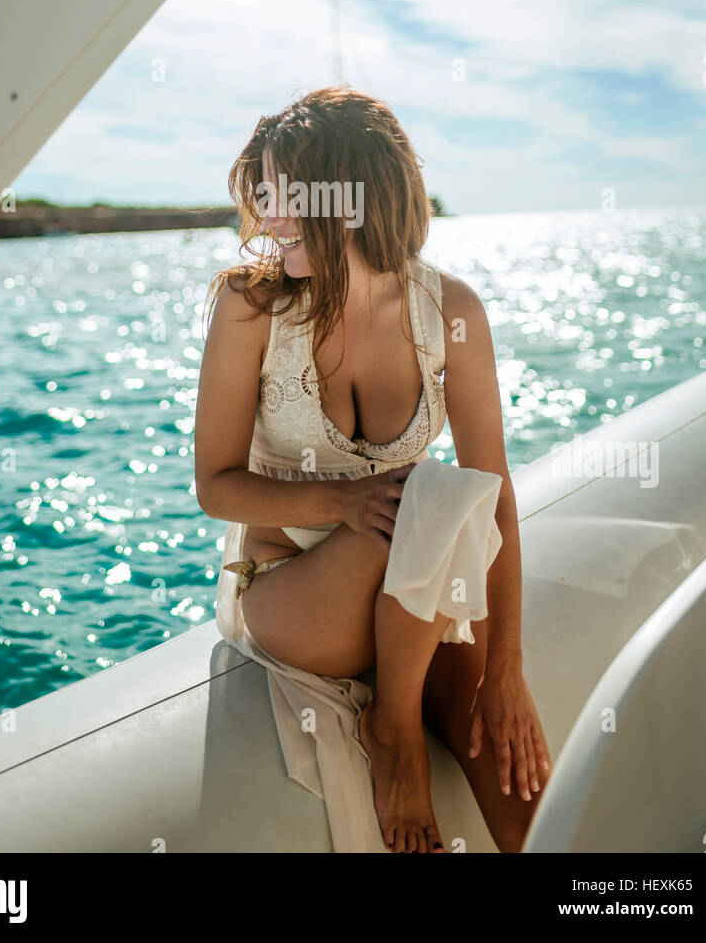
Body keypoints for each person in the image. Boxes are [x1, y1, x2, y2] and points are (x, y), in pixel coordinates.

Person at [194, 87, 551, 853]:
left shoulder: (449, 311)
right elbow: (214, 483)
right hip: (293, 596)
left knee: (513, 762)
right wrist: (344, 500)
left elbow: (493, 497)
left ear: (347, 198)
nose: (265, 215)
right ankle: (393, 730)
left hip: (412, 603)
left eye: (282, 194)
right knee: (431, 493)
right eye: (261, 195)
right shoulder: (249, 307)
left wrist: (505, 670)